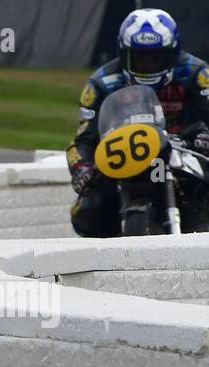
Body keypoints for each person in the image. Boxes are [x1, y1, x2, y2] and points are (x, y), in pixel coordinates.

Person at [69, 7, 209, 237]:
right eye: (140, 57)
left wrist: (204, 138)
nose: (148, 64)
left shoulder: (197, 74)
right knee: (87, 208)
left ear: (173, 53)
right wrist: (82, 169)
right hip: (125, 156)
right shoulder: (101, 83)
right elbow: (82, 140)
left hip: (186, 150)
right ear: (123, 53)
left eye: (156, 57)